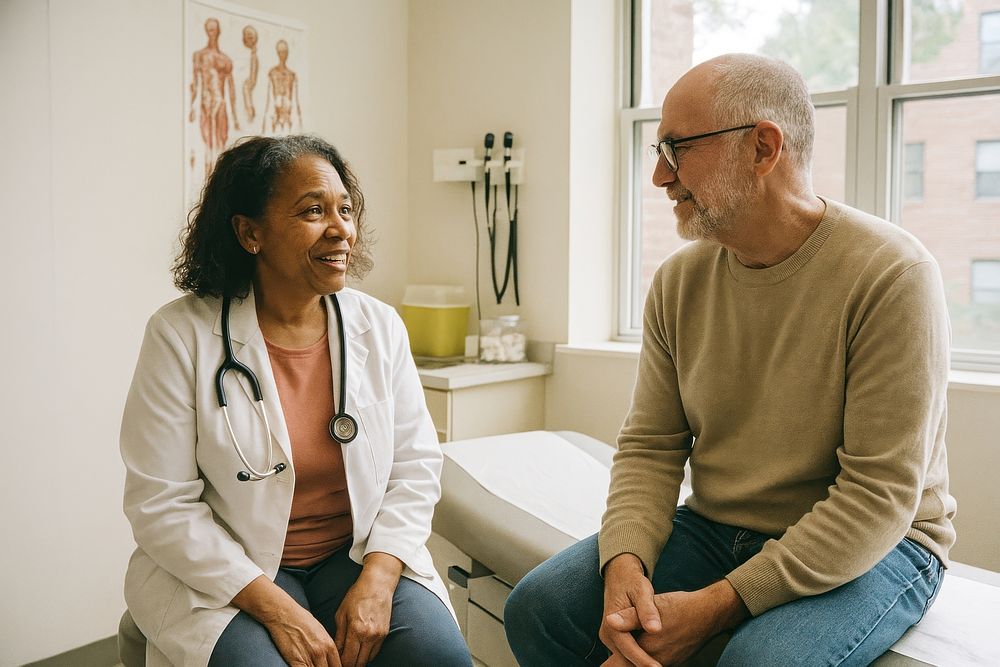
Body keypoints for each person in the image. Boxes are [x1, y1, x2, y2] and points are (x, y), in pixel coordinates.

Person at [504, 53, 955, 666]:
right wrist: (626, 563)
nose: (661, 177)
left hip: (886, 542)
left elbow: (877, 495)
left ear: (763, 148)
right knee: (541, 608)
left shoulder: (892, 275)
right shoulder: (679, 281)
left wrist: (721, 603)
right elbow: (652, 445)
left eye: (677, 149)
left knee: (755, 660)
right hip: (718, 525)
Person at [120, 135, 472, 667]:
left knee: (438, 659)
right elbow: (161, 505)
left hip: (353, 556)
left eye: (345, 210)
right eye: (313, 211)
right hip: (232, 571)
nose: (341, 230)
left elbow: (416, 465)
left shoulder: (378, 326)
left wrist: (379, 578)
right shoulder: (180, 335)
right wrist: (278, 609)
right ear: (250, 233)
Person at [189, 18, 241, 178]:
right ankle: (207, 180)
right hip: (206, 102)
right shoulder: (199, 56)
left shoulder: (225, 60)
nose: (212, 33)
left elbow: (231, 89)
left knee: (220, 144)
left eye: (214, 29)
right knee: (208, 144)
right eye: (209, 29)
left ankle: (216, 180)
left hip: (220, 102)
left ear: (218, 31)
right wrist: (191, 106)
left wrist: (235, 116)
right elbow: (195, 83)